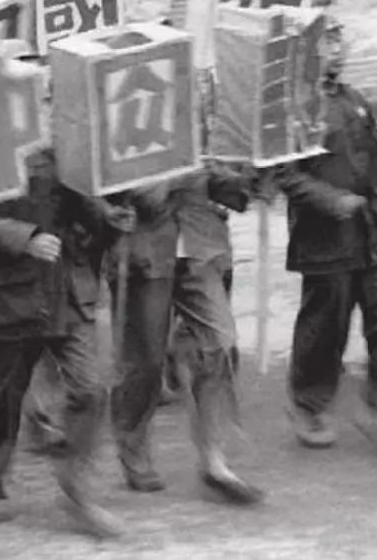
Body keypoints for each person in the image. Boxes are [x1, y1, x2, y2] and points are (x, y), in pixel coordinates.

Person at [0, 133, 133, 538]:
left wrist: (111, 217)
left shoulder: (72, 149)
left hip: (68, 289)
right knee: (2, 393)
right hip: (13, 294)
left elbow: (91, 213)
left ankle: (76, 485)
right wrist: (22, 238)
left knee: (91, 388)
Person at [109, 163, 263, 505]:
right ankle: (132, 443)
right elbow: (143, 197)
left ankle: (213, 458)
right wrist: (181, 168)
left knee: (220, 344)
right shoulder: (128, 115)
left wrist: (239, 175)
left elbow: (234, 197)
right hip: (146, 252)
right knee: (146, 360)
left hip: (200, 248)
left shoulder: (196, 117)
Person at [278, 18, 377, 448]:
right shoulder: (295, 108)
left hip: (371, 232)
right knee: (326, 325)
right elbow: (285, 174)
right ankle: (309, 404)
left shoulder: (356, 99)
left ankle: (376, 403)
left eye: (340, 40)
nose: (338, 49)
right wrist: (331, 200)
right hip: (325, 240)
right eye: (328, 42)